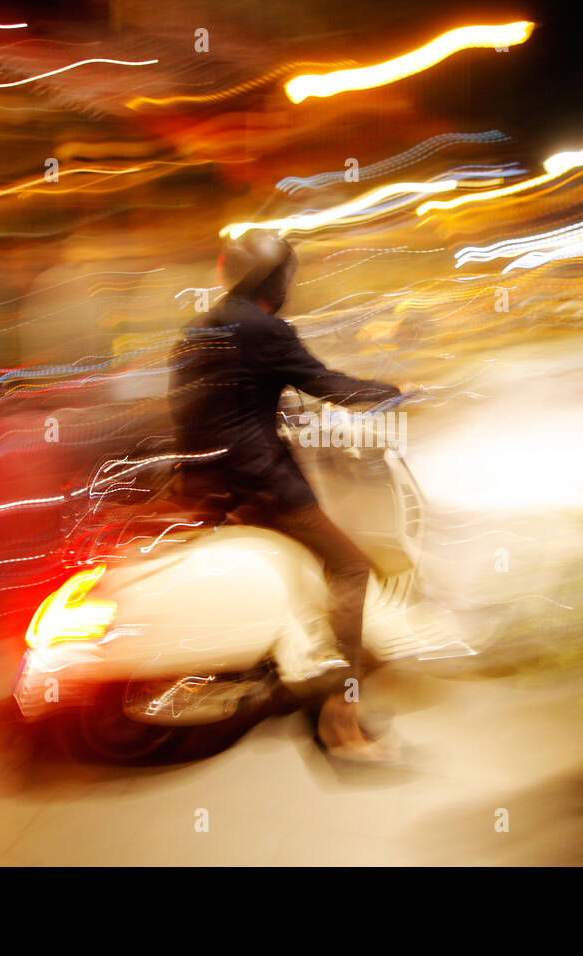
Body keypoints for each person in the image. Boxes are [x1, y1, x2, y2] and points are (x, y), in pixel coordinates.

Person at [168, 232, 410, 763]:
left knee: (305, 566)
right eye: (287, 277)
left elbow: (199, 406)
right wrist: (393, 392)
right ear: (273, 280)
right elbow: (323, 382)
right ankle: (342, 723)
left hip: (209, 487)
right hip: (265, 485)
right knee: (350, 568)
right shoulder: (265, 329)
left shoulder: (197, 330)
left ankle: (298, 657)